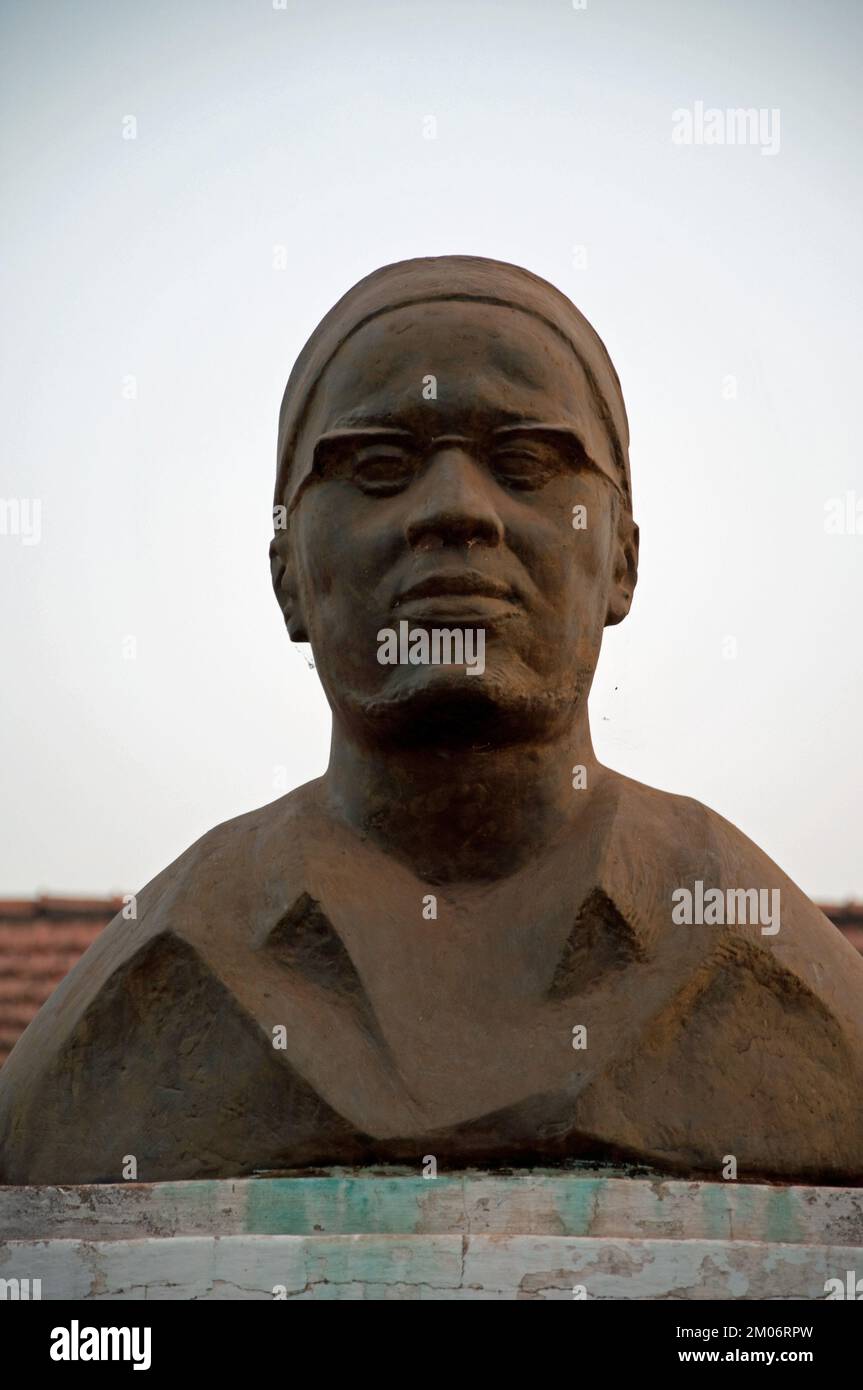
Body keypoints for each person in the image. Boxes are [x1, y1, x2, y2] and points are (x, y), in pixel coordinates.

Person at [2, 256, 860, 1185]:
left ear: (622, 562)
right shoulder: (153, 977)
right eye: (377, 467)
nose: (455, 511)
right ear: (286, 573)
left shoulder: (759, 951)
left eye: (527, 462)